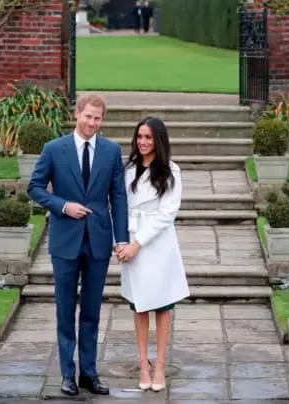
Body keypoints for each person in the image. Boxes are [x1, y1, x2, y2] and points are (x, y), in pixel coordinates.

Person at [27, 94, 129, 397]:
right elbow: (34, 187)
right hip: (65, 240)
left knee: (92, 311)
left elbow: (118, 197)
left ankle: (89, 373)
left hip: (98, 241)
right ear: (77, 114)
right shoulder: (54, 149)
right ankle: (67, 374)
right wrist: (62, 206)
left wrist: (120, 238)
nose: (92, 123)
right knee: (64, 309)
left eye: (98, 118)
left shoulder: (111, 151)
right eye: (88, 117)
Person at [116, 116, 190, 393]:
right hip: (131, 240)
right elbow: (118, 205)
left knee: (162, 306)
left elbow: (166, 214)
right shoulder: (127, 169)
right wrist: (121, 243)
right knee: (139, 306)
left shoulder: (171, 170)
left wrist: (138, 244)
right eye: (139, 137)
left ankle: (159, 364)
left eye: (148, 137)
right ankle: (143, 363)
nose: (143, 142)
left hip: (158, 244)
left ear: (158, 140)